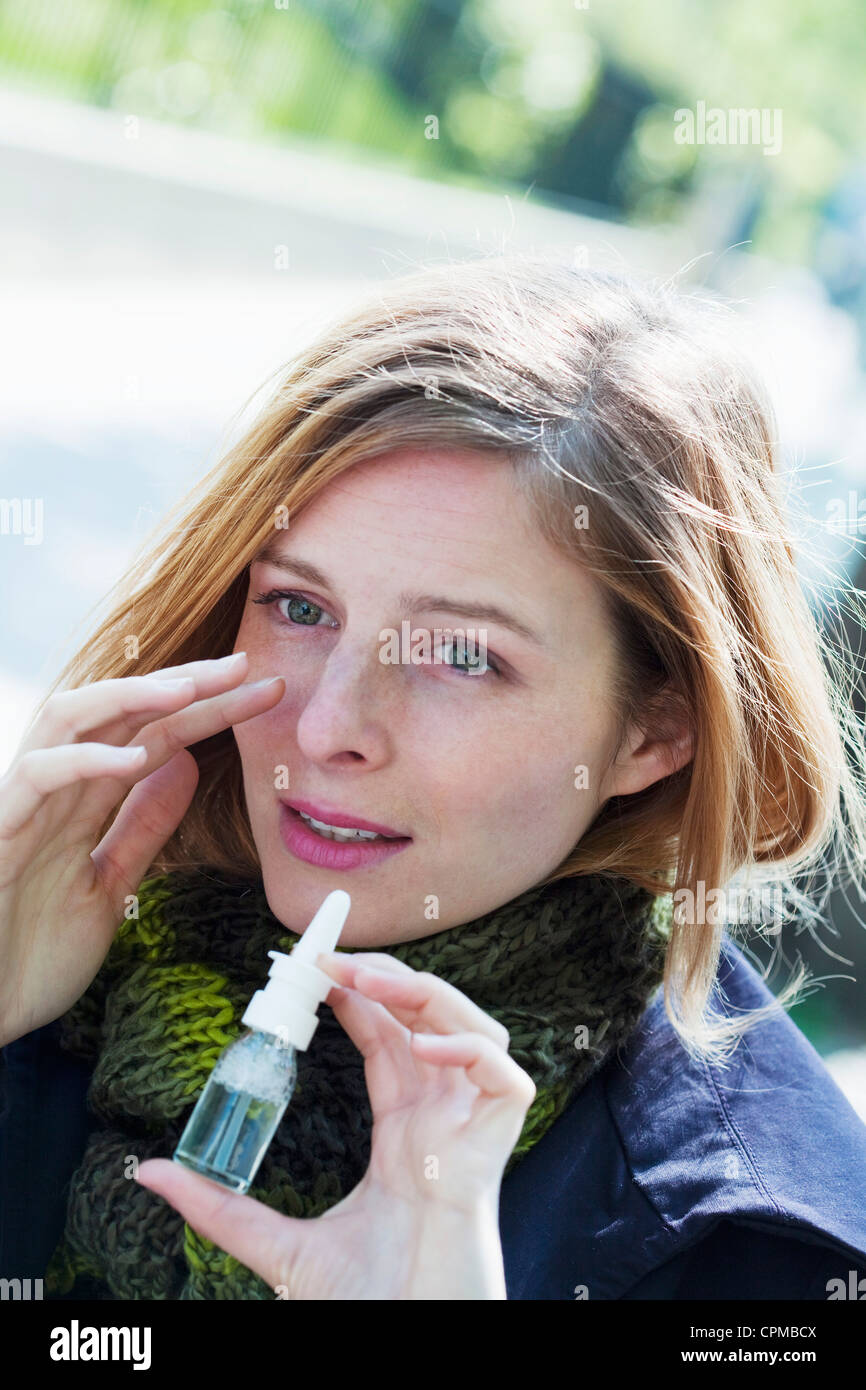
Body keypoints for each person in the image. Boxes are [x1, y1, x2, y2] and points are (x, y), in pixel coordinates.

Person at [2, 254, 866, 1301]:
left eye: (459, 656)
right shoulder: (59, 948)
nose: (328, 728)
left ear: (655, 730)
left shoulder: (754, 1251)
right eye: (300, 609)